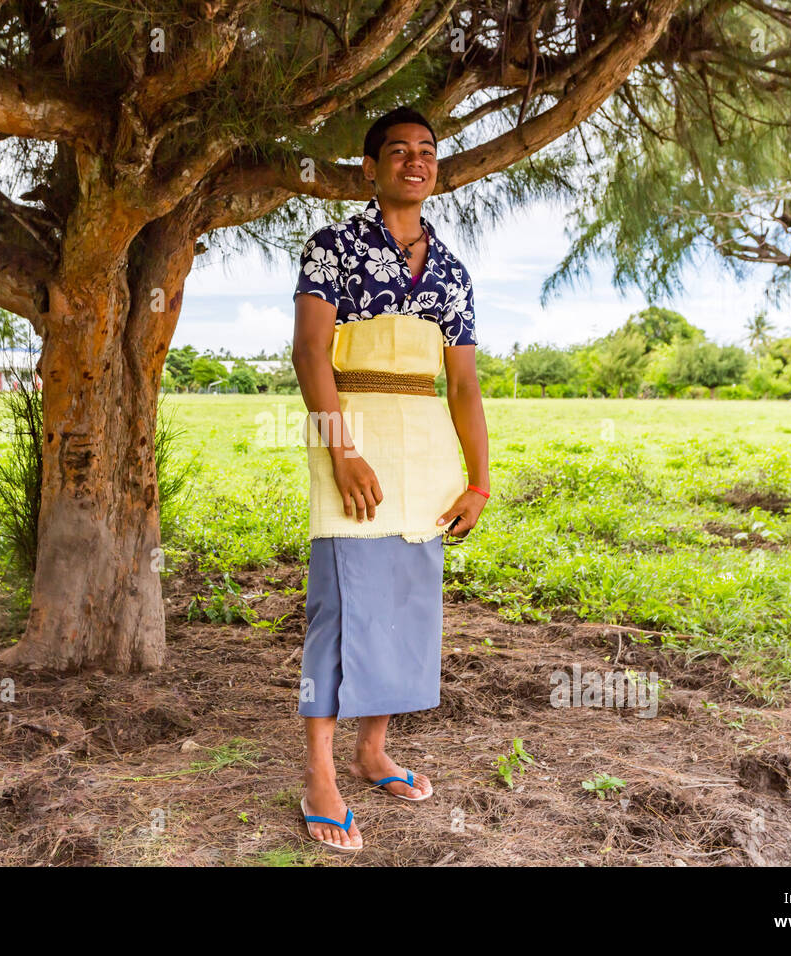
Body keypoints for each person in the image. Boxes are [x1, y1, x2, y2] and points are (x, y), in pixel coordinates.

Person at [290, 106, 491, 852]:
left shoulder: (452, 271)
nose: (416, 161)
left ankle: (372, 750)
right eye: (399, 151)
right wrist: (341, 450)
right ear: (370, 167)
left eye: (428, 152)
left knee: (407, 605)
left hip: (426, 447)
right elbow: (312, 354)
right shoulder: (332, 247)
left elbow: (464, 387)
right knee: (341, 608)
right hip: (352, 439)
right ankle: (319, 773)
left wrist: (479, 481)